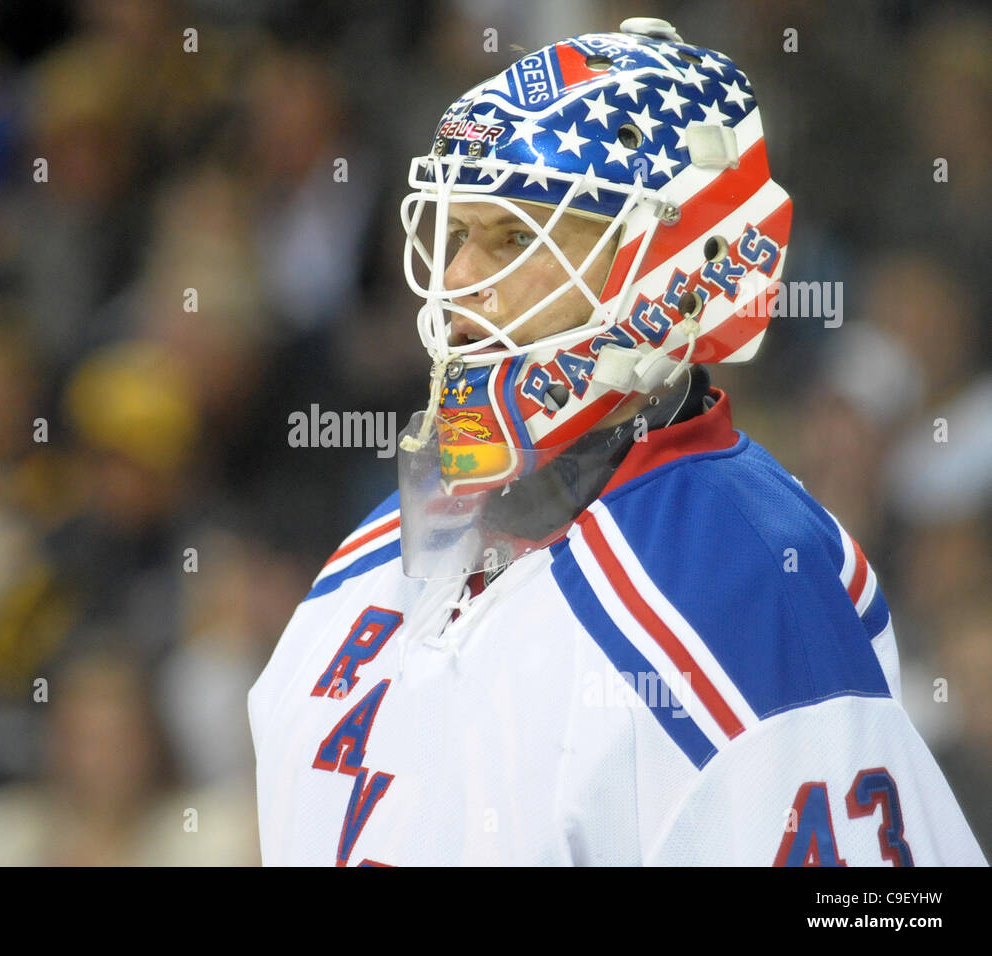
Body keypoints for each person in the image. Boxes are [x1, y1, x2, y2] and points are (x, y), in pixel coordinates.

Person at [248, 18, 986, 866]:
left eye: (517, 237)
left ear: (673, 268)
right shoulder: (379, 549)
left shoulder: (746, 583)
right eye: (455, 233)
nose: (455, 282)